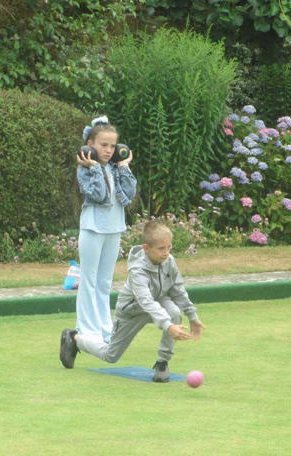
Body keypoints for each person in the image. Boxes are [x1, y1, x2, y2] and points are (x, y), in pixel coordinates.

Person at [60, 220, 205, 383]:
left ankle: (162, 362)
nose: (166, 252)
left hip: (157, 302)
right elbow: (146, 302)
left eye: (169, 247)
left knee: (174, 313)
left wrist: (192, 316)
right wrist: (168, 326)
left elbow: (178, 289)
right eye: (161, 248)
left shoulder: (169, 261)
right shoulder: (137, 271)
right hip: (132, 310)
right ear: (146, 248)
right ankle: (75, 339)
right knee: (110, 355)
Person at [74, 115, 137, 343]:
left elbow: (129, 194)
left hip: (114, 228)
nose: (109, 150)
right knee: (88, 280)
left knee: (104, 282)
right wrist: (95, 168)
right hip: (92, 228)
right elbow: (99, 196)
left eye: (112, 146)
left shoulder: (115, 168)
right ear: (90, 144)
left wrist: (124, 165)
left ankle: (104, 327)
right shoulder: (86, 169)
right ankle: (87, 329)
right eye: (103, 145)